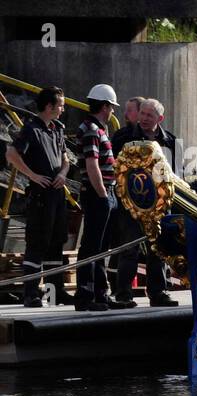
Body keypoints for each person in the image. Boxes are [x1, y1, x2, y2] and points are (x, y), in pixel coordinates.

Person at [4, 86, 72, 307]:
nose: (62, 109)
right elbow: (11, 153)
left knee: (55, 243)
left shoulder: (57, 129)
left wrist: (62, 174)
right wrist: (32, 175)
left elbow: (65, 158)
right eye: (60, 105)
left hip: (56, 193)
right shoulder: (31, 130)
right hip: (41, 196)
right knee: (37, 243)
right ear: (50, 106)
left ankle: (54, 293)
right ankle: (31, 293)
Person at [109, 98, 178, 306]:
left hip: (159, 204)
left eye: (150, 115)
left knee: (158, 248)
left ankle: (158, 293)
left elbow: (176, 174)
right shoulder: (122, 137)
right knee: (129, 249)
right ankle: (123, 294)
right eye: (143, 114)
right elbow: (114, 168)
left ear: (160, 118)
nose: (145, 118)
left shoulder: (170, 142)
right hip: (130, 203)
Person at [73, 83, 130, 312]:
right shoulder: (91, 129)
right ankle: (85, 295)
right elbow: (92, 164)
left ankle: (100, 294)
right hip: (99, 193)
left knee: (101, 246)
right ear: (104, 106)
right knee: (92, 245)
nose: (113, 112)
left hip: (106, 191)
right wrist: (102, 194)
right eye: (112, 107)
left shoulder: (98, 129)